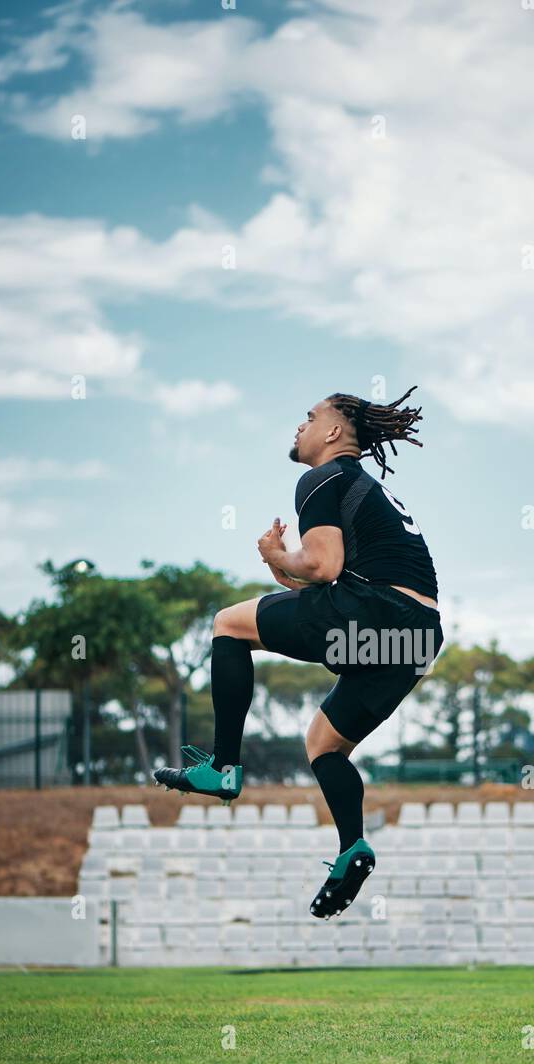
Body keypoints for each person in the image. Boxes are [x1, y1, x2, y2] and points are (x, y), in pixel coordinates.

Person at [154, 387, 443, 917]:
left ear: (333, 432)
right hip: (414, 636)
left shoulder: (321, 477)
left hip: (372, 610)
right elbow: (317, 593)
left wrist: (279, 552)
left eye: (309, 417)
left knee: (226, 623)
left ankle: (222, 767)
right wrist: (277, 563)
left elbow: (324, 566)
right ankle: (352, 846)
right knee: (323, 745)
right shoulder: (363, 486)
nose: (300, 425)